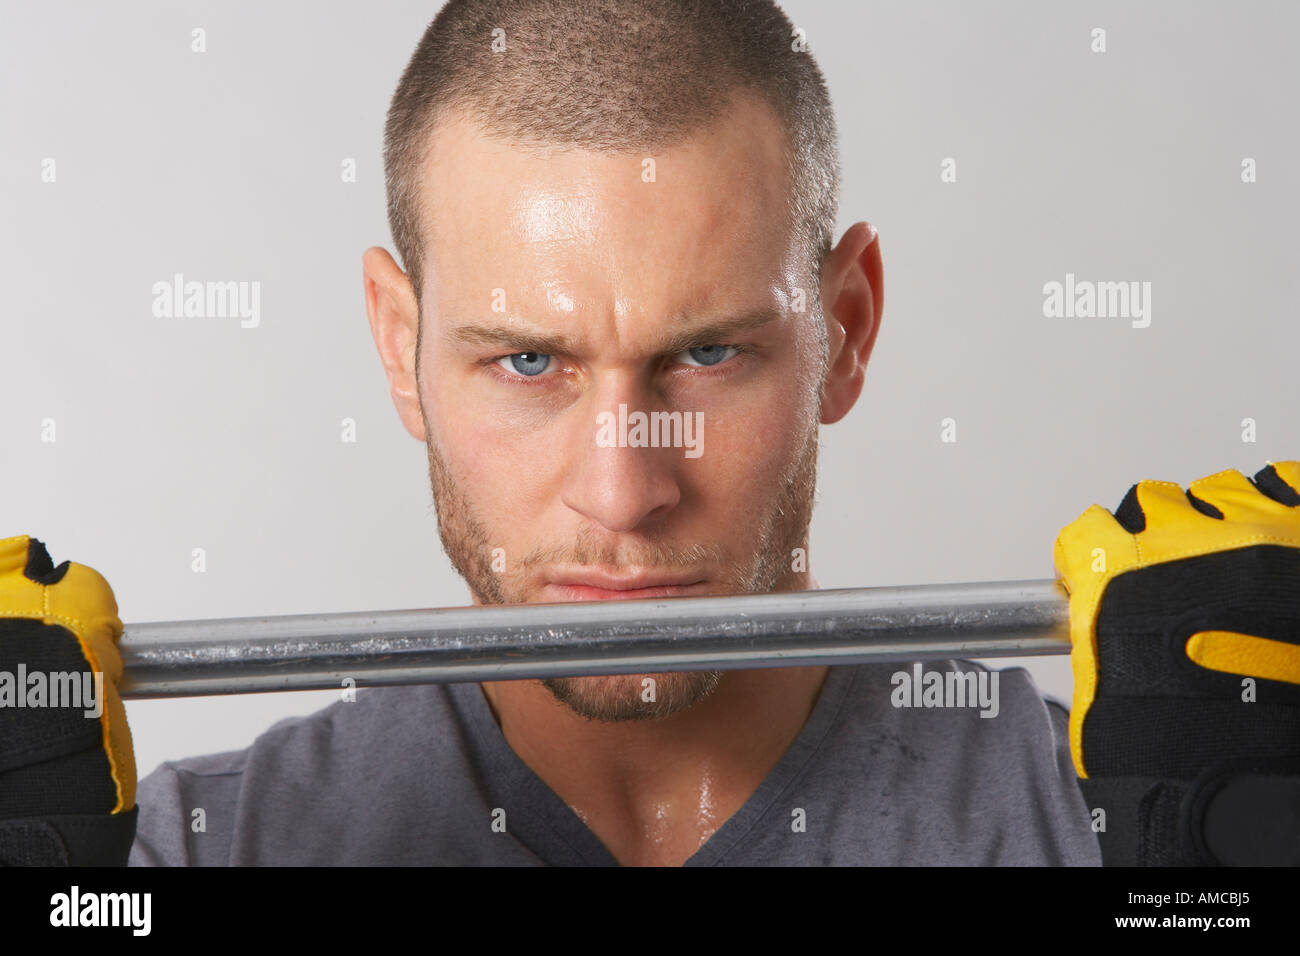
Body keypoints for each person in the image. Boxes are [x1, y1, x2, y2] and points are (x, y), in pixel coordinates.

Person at [2, 0, 1295, 868]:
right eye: (526, 361)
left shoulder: (1115, 824)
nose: (623, 493)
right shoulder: (183, 858)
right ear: (399, 347)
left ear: (846, 327)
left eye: (709, 351)